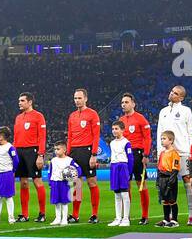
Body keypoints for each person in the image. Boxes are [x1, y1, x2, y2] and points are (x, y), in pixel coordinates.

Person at [157, 85, 192, 226]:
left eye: (175, 93)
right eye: (171, 91)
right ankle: (168, 217)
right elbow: (159, 133)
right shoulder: (163, 111)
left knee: (188, 181)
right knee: (168, 185)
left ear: (181, 97)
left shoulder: (186, 111)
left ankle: (191, 215)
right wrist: (159, 152)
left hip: (183, 152)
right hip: (166, 154)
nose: (172, 94)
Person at [67, 88, 103, 224]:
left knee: (91, 182)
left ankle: (94, 215)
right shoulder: (72, 116)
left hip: (87, 151)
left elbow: (96, 136)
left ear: (86, 99)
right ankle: (75, 215)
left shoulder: (93, 114)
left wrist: (93, 154)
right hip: (74, 152)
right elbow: (69, 136)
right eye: (75, 98)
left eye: (79, 98)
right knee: (76, 184)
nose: (77, 101)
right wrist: (68, 154)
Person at [13, 92, 48, 223]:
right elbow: (16, 138)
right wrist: (14, 154)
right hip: (19, 152)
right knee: (23, 183)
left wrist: (40, 155)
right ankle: (24, 214)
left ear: (30, 102)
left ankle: (42, 213)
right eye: (19, 100)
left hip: (32, 151)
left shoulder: (38, 116)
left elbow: (42, 136)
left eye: (22, 100)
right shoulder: (18, 118)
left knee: (37, 181)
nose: (19, 103)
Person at [120, 94, 153, 225]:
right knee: (125, 186)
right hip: (124, 155)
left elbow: (147, 138)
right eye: (122, 102)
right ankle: (125, 216)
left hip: (137, 154)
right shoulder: (121, 120)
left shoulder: (141, 119)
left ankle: (145, 216)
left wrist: (145, 155)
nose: (124, 104)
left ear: (133, 104)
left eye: (126, 102)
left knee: (141, 185)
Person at [0, 126, 18, 225]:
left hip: (6, 173)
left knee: (8, 196)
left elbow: (16, 161)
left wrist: (12, 171)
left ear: (1, 136)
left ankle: (11, 217)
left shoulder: (10, 147)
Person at [47, 143, 81, 226]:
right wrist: (50, 182)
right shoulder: (53, 160)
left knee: (64, 202)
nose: (56, 151)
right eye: (55, 149)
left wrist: (74, 177)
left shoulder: (69, 160)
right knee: (56, 202)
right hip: (55, 182)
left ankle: (64, 219)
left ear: (64, 150)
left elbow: (78, 169)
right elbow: (50, 171)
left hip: (64, 183)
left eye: (58, 149)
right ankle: (57, 218)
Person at [107, 121, 134, 227]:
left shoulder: (126, 143)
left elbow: (130, 158)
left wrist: (129, 172)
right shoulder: (112, 143)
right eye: (113, 129)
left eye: (116, 129)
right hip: (114, 166)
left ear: (122, 130)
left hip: (123, 167)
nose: (114, 131)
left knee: (124, 193)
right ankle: (118, 218)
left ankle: (126, 218)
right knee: (117, 193)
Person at [155, 132, 182, 227]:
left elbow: (175, 169)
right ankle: (166, 219)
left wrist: (170, 183)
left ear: (171, 141)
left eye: (164, 139)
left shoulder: (174, 153)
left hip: (170, 178)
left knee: (172, 200)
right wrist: (158, 181)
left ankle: (174, 220)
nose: (162, 140)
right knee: (165, 200)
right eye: (161, 138)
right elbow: (159, 168)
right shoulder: (162, 153)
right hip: (162, 178)